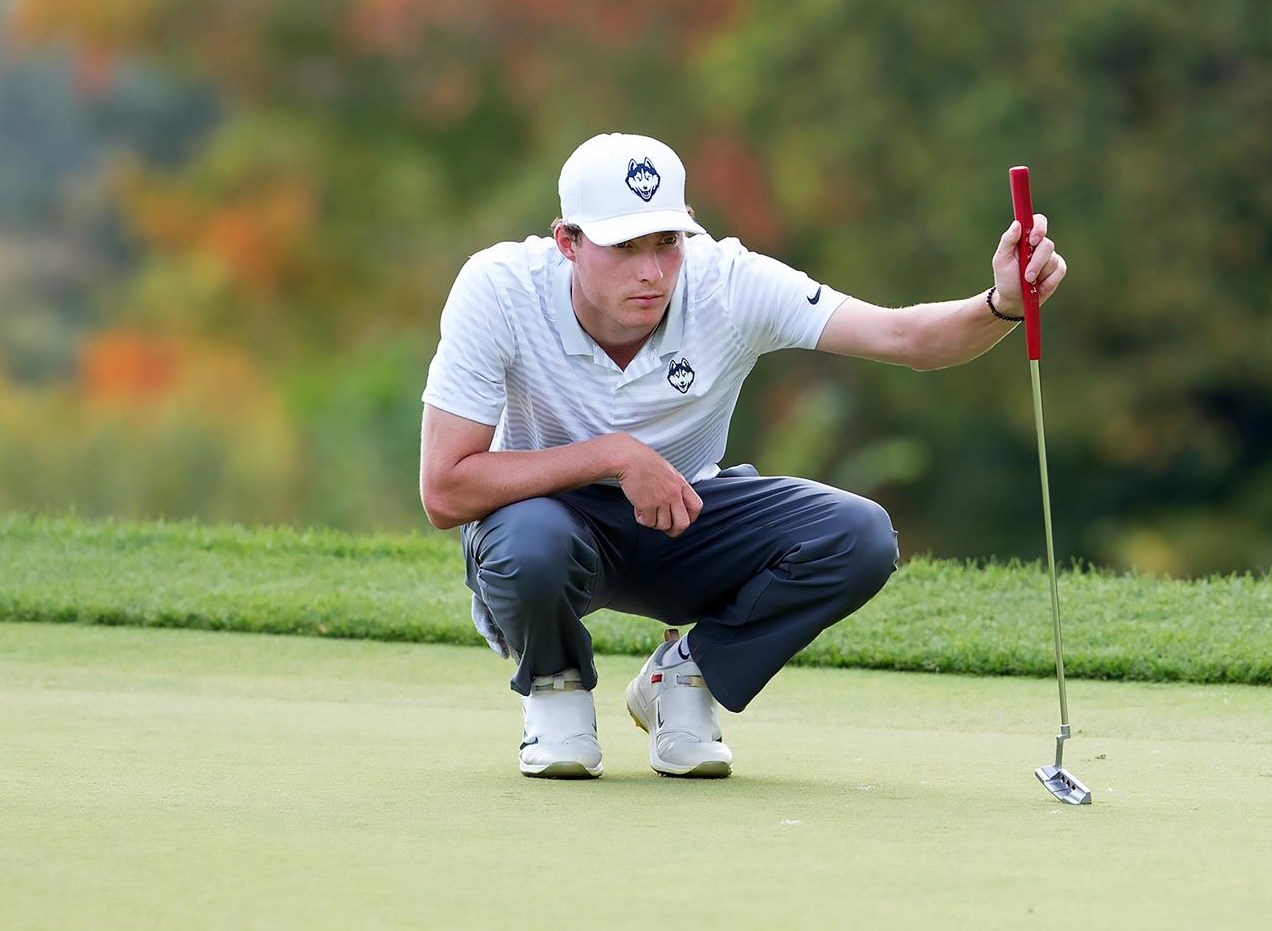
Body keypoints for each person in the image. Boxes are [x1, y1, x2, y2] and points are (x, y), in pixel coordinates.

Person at [419, 132, 1066, 780]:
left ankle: (684, 678)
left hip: (684, 522)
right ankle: (554, 684)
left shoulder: (727, 283)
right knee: (528, 543)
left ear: (688, 227)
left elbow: (905, 338)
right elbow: (445, 490)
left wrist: (1001, 305)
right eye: (624, 247)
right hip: (547, 528)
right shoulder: (499, 287)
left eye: (666, 241)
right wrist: (614, 456)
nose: (651, 272)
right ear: (568, 242)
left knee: (859, 536)